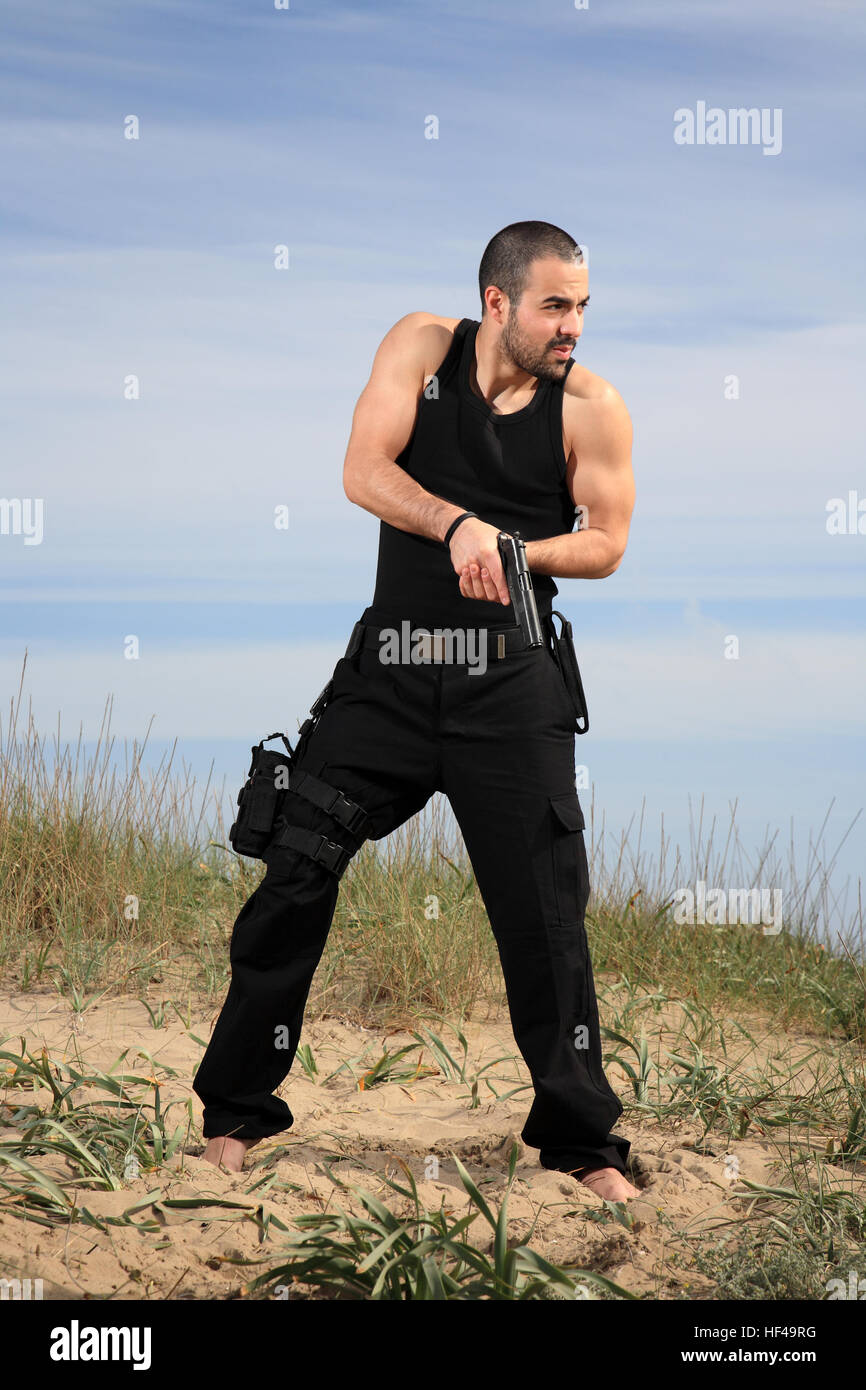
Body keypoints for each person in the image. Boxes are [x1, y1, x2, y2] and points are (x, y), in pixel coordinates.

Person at [193, 220, 639, 1202]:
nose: (572, 326)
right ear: (496, 302)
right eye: (553, 306)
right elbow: (362, 471)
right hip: (390, 670)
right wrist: (456, 524)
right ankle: (234, 1111)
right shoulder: (415, 346)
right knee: (294, 866)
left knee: (544, 917)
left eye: (582, 307)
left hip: (512, 681)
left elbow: (605, 539)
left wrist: (515, 549)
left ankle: (579, 1140)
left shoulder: (591, 405)